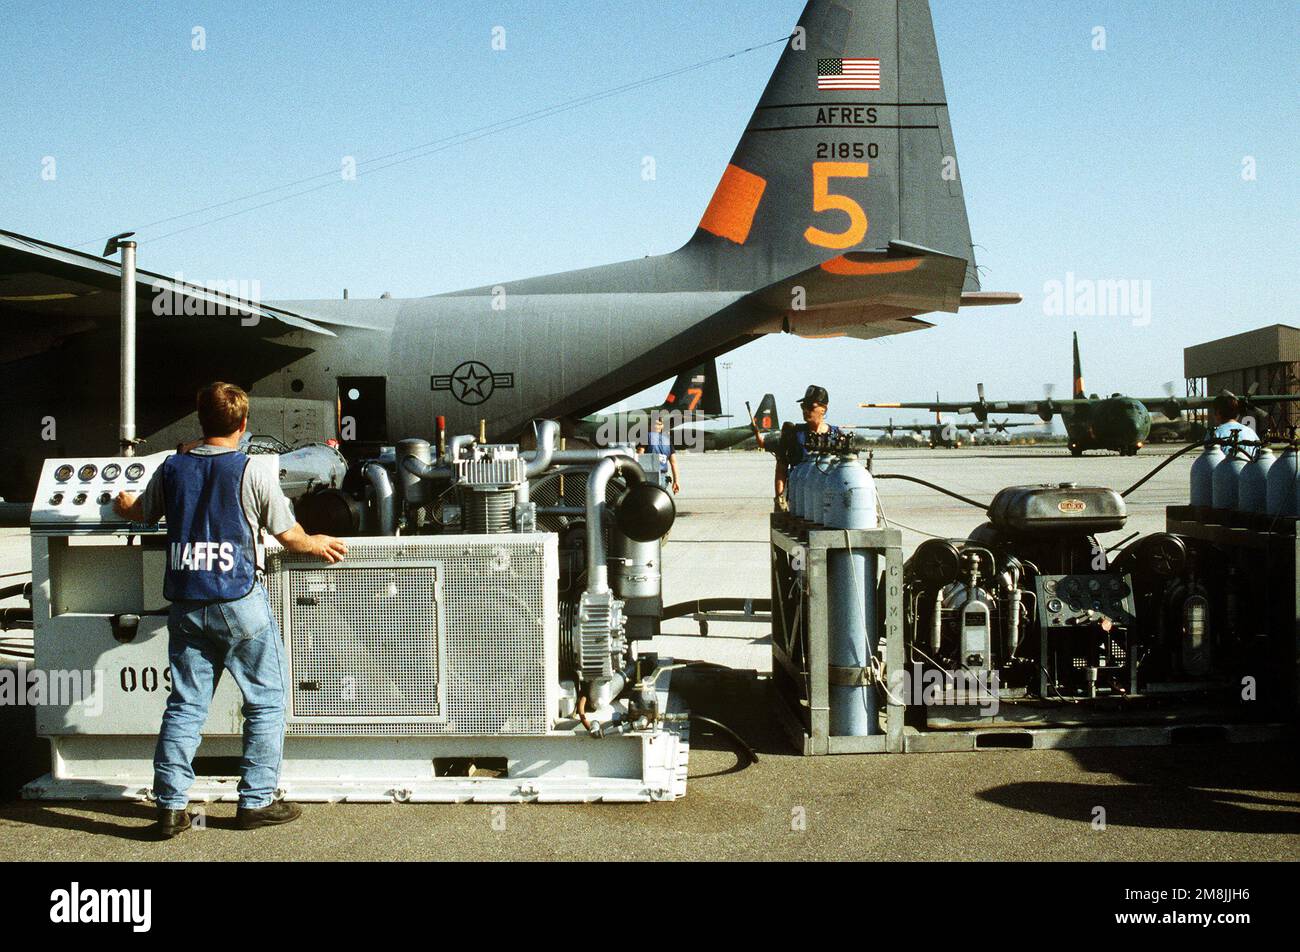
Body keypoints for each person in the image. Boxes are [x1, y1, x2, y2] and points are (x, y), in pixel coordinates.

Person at [114, 382, 348, 839]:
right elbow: (289, 535)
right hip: (238, 602)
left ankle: (169, 807)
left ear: (201, 422)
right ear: (243, 425)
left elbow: (141, 512)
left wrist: (123, 504)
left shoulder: (171, 468)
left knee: (184, 705)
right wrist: (316, 542)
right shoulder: (252, 471)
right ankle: (256, 801)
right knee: (265, 700)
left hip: (185, 603)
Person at [774, 384, 841, 509]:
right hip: (799, 500)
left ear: (824, 409)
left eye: (810, 406)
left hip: (829, 501)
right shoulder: (793, 434)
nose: (805, 410)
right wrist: (780, 498)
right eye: (803, 406)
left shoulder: (837, 436)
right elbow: (781, 467)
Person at [1208, 393, 1259, 459]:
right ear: (1237, 414)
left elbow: (1209, 460)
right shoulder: (1251, 432)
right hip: (1249, 468)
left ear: (1218, 412)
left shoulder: (1214, 433)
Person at [642, 413, 681, 494]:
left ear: (649, 425)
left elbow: (639, 456)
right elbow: (674, 463)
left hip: (648, 477)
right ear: (662, 426)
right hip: (663, 478)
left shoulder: (647, 436)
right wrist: (676, 481)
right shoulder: (667, 441)